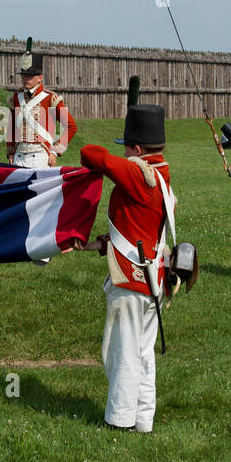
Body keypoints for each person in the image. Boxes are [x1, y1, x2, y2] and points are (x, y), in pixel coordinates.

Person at [77, 103, 174, 433]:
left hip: (131, 282)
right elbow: (134, 230)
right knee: (143, 355)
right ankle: (143, 420)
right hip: (152, 278)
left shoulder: (138, 173)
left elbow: (92, 154)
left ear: (137, 148)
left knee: (121, 354)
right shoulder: (161, 174)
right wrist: (92, 244)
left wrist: (126, 160)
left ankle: (118, 420)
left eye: (128, 147)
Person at [6, 38, 77, 168]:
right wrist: (10, 151)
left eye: (29, 75)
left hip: (40, 156)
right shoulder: (16, 98)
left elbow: (71, 126)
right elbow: (11, 127)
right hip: (18, 155)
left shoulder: (51, 99)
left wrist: (55, 152)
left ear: (40, 77)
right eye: (23, 74)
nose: (25, 78)